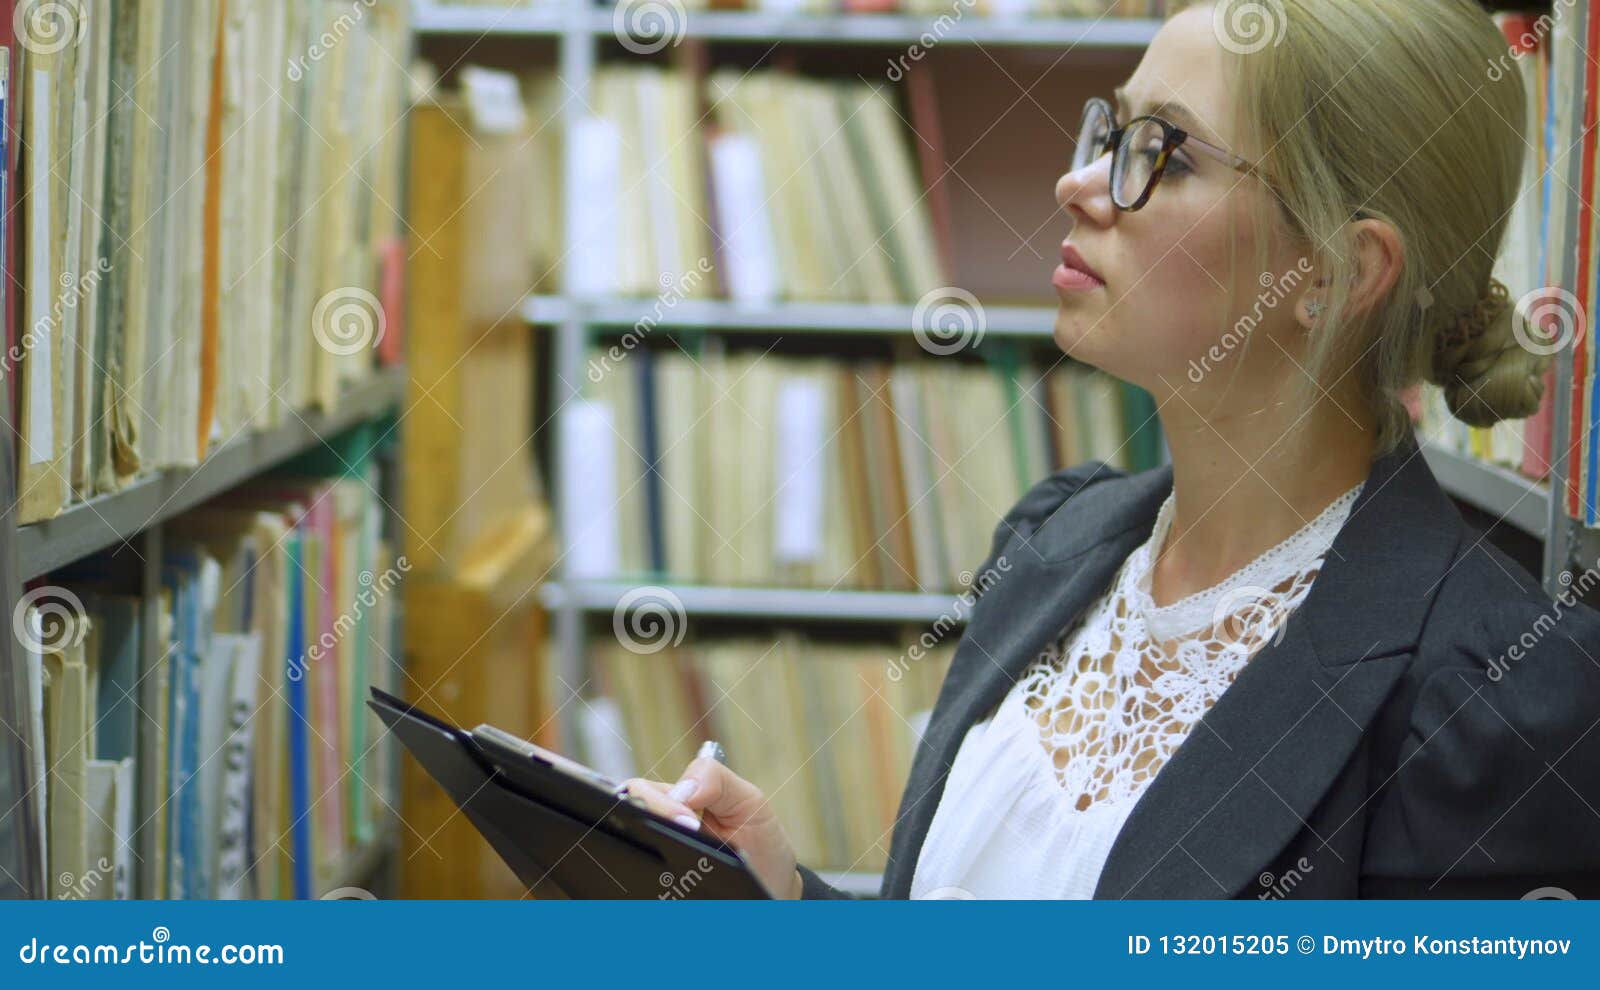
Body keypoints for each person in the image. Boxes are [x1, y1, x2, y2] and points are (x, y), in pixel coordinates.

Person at [622, 0, 1600, 899]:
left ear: (1339, 273)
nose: (1076, 183)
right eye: (1111, 129)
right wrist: (784, 903)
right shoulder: (1057, 540)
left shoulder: (1493, 697)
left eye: (1161, 155)